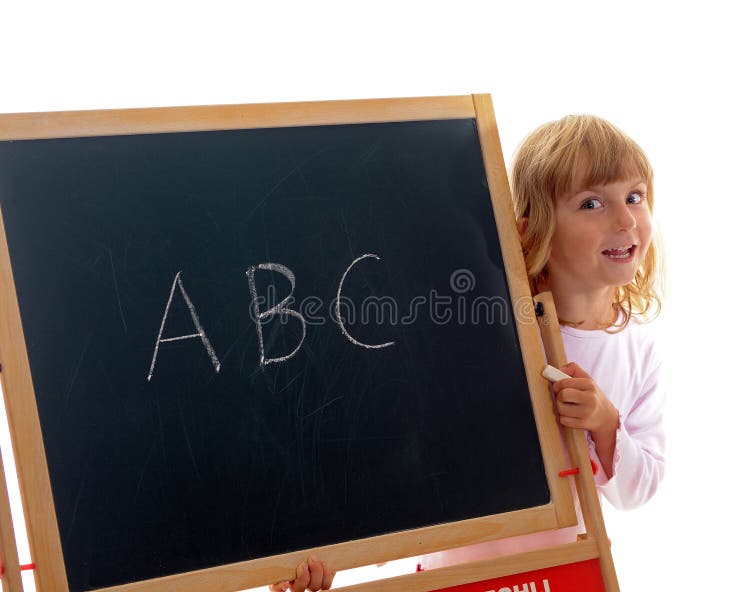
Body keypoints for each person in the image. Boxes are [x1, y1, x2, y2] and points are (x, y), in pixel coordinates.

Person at [272, 113, 666, 586]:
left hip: (562, 575)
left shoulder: (637, 351)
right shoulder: (484, 333)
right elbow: (404, 456)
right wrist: (325, 559)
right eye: (591, 204)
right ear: (530, 229)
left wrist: (604, 422)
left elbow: (639, 488)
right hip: (459, 575)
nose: (624, 219)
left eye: (634, 197)